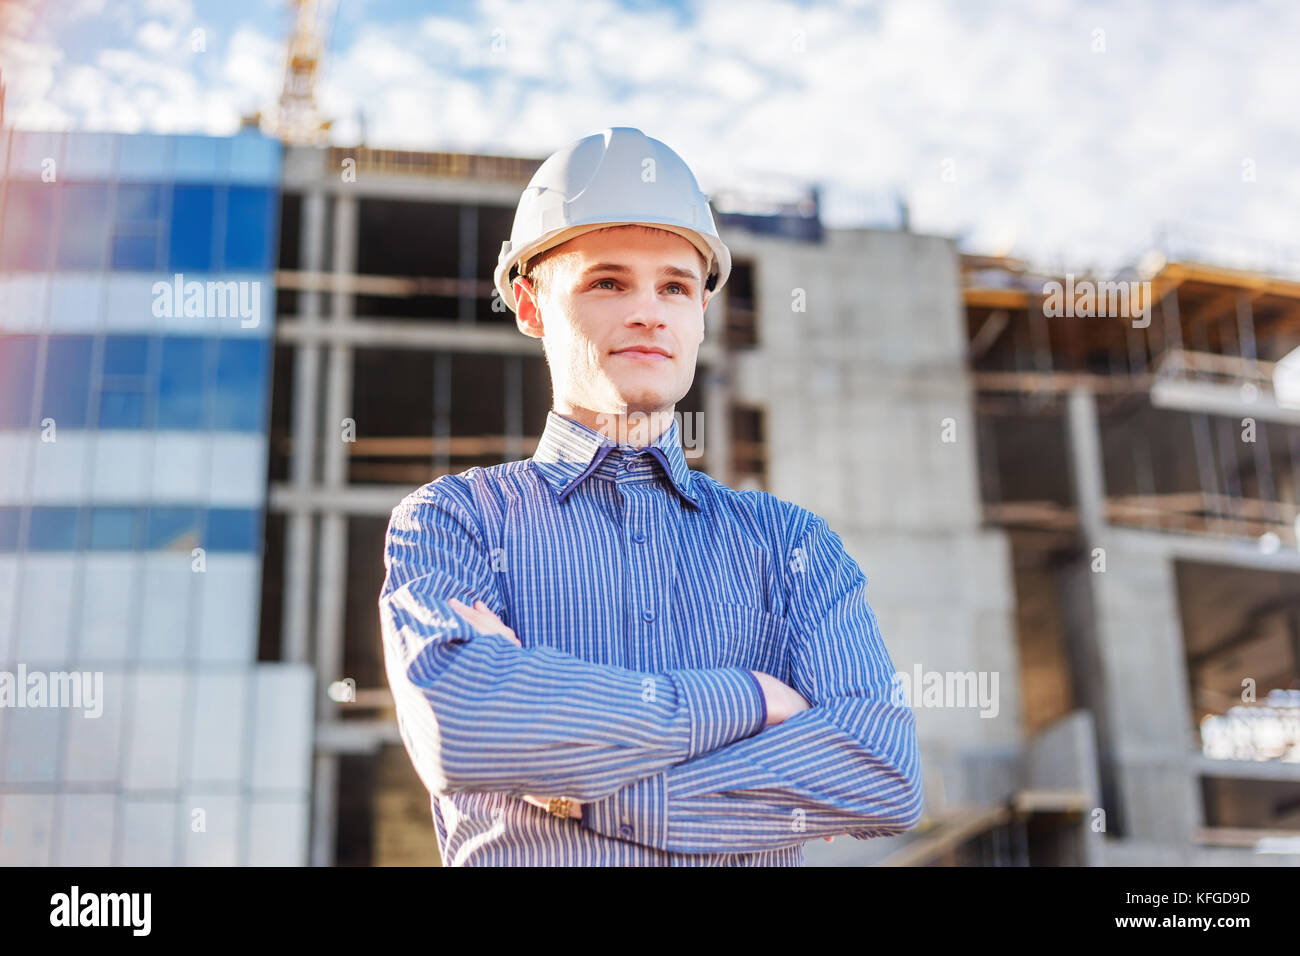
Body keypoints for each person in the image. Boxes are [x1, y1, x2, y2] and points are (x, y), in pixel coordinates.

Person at [378, 126, 923, 866]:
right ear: (529, 302)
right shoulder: (455, 523)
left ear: (701, 309)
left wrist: (583, 788)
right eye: (607, 282)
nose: (649, 312)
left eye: (674, 285)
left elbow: (879, 772)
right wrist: (750, 701)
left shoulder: (790, 545)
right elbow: (464, 726)